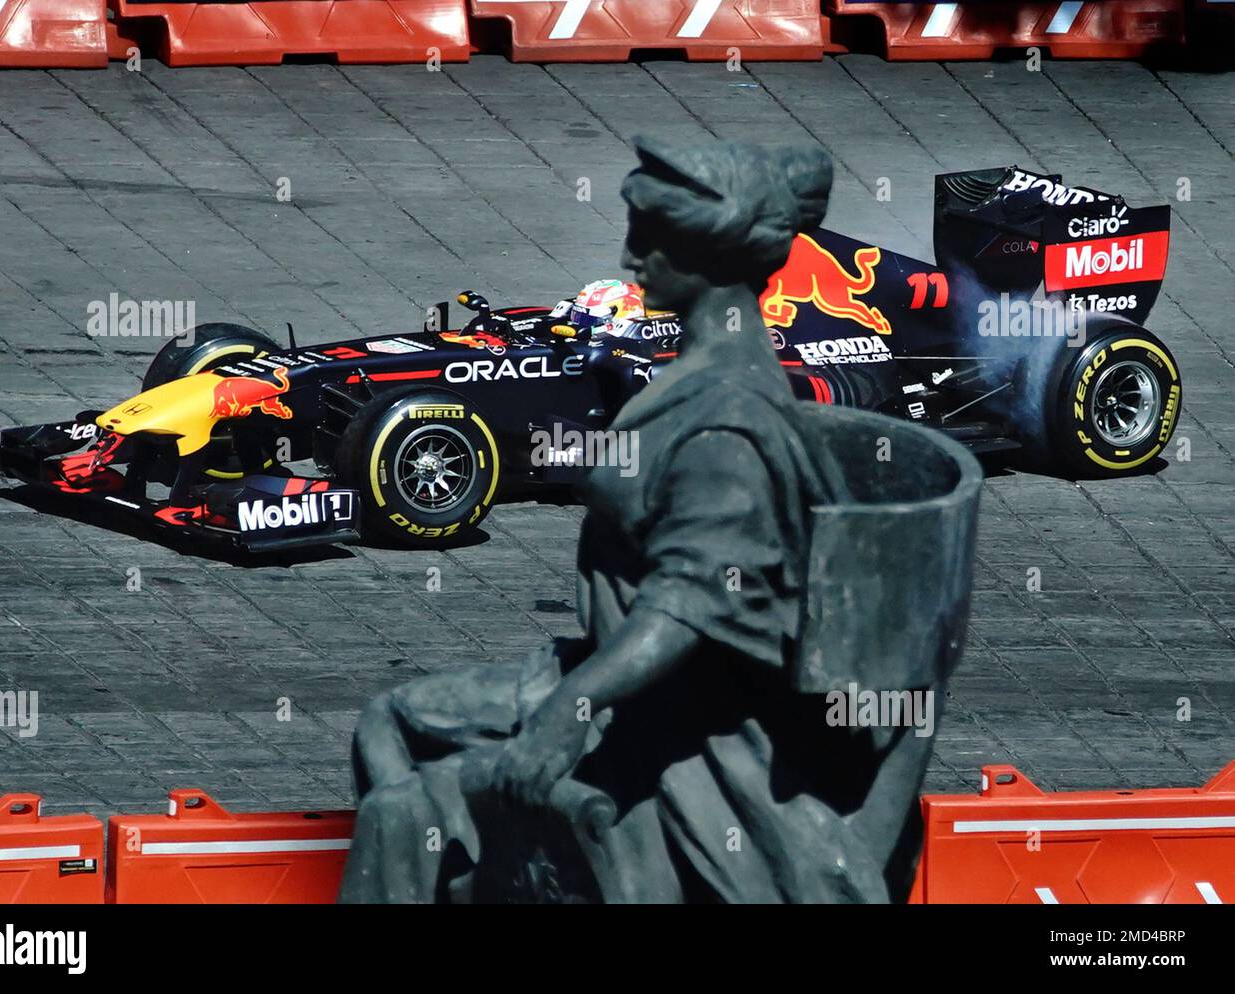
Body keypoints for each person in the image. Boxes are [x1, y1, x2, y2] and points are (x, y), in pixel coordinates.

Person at [339, 136, 932, 903]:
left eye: (652, 238)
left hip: (683, 717)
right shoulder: (695, 376)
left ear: (712, 256)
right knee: (390, 720)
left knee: (398, 806)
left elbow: (690, 602)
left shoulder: (727, 419)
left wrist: (564, 712)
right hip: (617, 668)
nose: (629, 255)